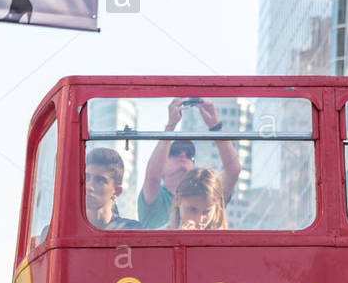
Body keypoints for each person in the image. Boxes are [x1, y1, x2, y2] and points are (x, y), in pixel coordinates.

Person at [138, 97, 241, 229]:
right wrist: (170, 126)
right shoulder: (155, 198)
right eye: (175, 152)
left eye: (189, 154)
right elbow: (152, 177)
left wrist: (215, 126)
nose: (183, 155)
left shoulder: (209, 192)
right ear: (178, 200)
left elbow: (234, 171)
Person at [84, 147, 141, 231]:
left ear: (116, 192)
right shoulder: (68, 228)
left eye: (100, 181)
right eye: (86, 177)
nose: (89, 186)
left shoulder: (133, 231)